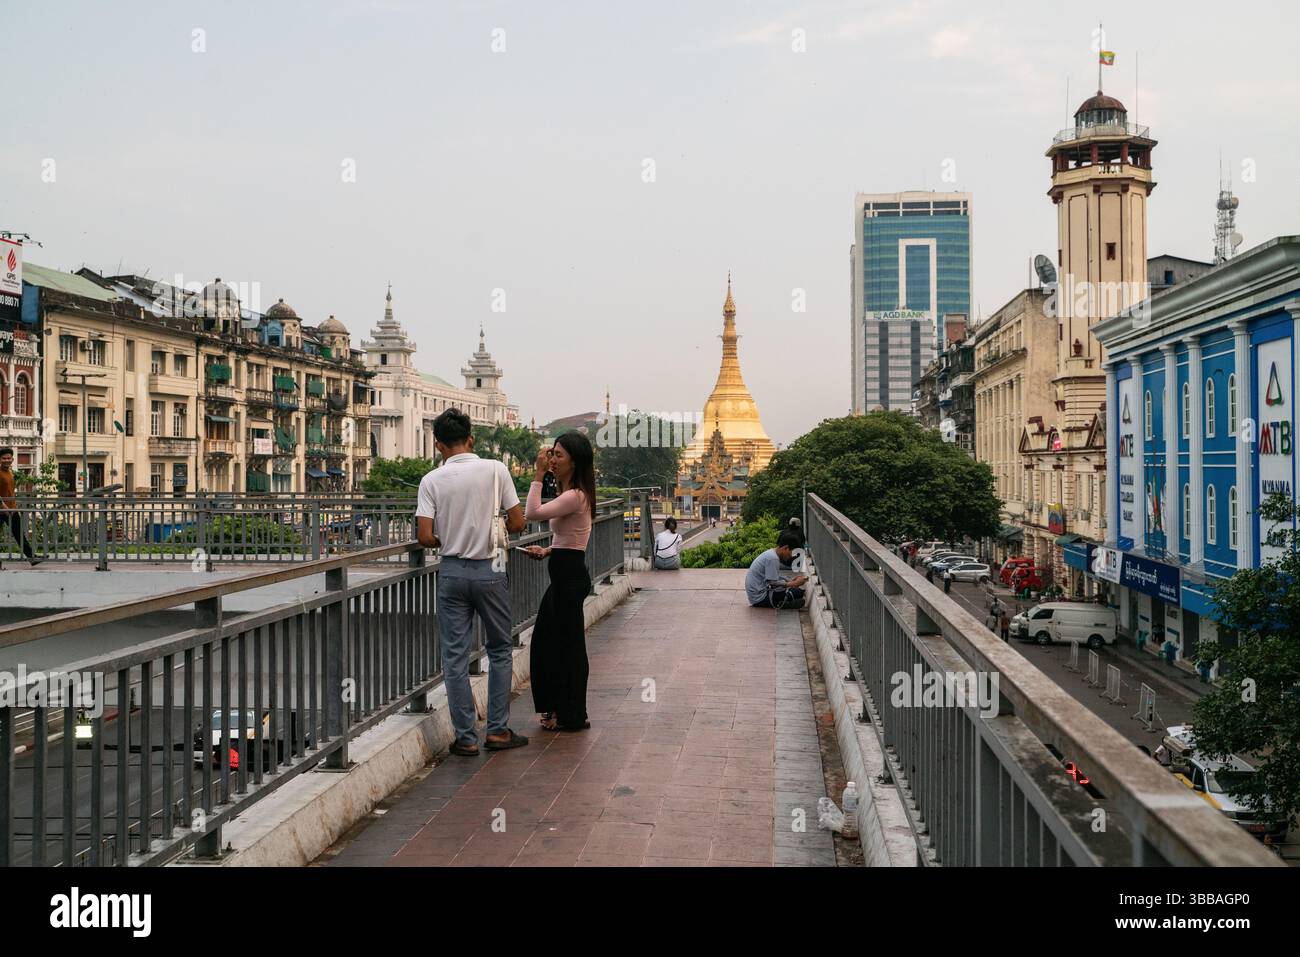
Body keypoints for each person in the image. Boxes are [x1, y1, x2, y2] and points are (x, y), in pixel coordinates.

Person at [415, 409, 529, 756]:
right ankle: (496, 730)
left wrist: (449, 539)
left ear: (438, 446)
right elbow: (518, 521)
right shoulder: (496, 469)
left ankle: (465, 737)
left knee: (454, 657)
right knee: (499, 650)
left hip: (452, 572)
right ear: (471, 439)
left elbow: (424, 536)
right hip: (490, 569)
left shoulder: (431, 480)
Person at [522, 432, 595, 732]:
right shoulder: (575, 494)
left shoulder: (574, 495)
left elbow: (531, 513)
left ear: (574, 462)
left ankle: (571, 715)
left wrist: (538, 474)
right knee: (549, 645)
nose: (552, 460)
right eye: (551, 454)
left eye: (559, 455)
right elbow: (574, 536)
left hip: (569, 579)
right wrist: (549, 548)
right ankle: (559, 709)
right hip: (565, 573)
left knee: (568, 648)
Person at [745, 530, 808, 609]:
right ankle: (782, 604)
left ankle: (783, 602)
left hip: (756, 596)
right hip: (760, 598)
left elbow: (774, 576)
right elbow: (773, 583)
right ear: (786, 548)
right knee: (797, 592)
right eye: (791, 554)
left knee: (796, 591)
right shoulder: (773, 558)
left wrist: (790, 580)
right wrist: (792, 584)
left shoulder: (771, 554)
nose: (790, 557)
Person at [0, 448, 40, 566]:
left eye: (9, 458)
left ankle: (32, 557)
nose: (7, 460)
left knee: (19, 534)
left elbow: (10, 491)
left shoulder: (10, 472)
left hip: (11, 509)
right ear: (0, 459)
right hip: (2, 510)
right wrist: (3, 506)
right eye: (4, 458)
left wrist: (14, 506)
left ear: (12, 459)